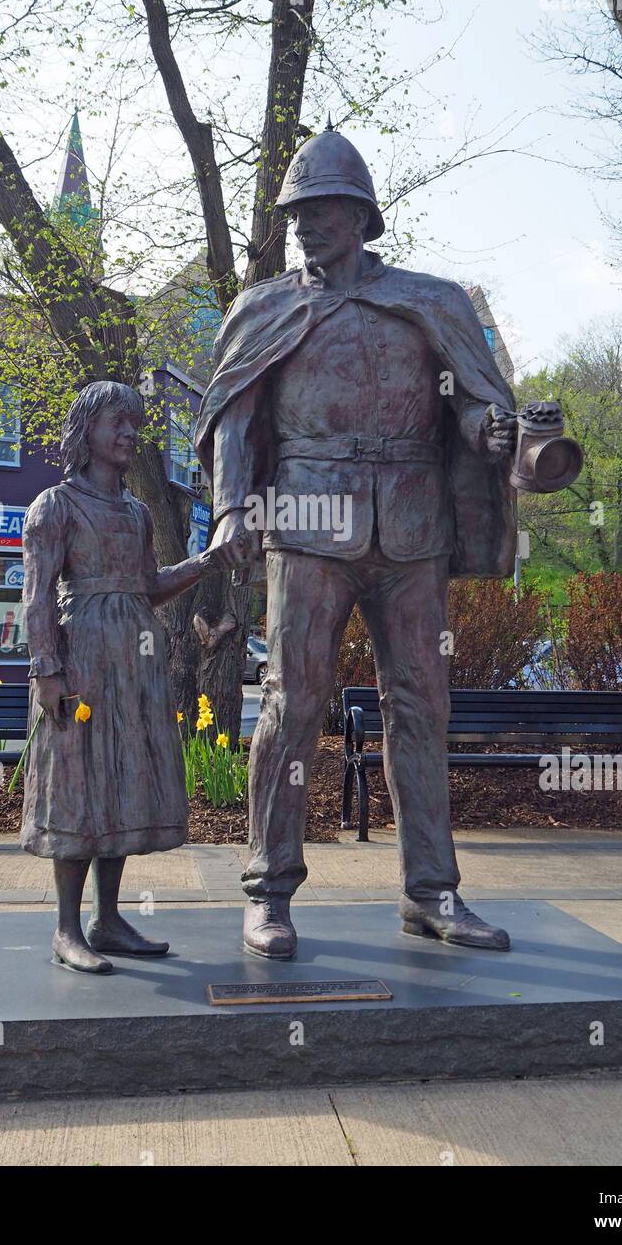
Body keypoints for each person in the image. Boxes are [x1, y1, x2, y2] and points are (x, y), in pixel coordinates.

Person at [195, 128, 525, 961]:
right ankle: (267, 892)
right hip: (305, 525)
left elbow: (473, 404)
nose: (306, 224)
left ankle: (432, 892)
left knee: (420, 705)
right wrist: (232, 508)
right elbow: (234, 414)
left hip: (411, 527)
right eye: (297, 212)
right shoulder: (266, 307)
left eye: (323, 209)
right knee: (290, 703)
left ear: (362, 216)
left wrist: (492, 433)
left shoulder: (432, 300)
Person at [21, 380, 216, 973]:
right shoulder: (54, 507)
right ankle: (65, 927)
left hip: (135, 662)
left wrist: (206, 562)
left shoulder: (137, 513)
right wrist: (47, 672)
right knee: (80, 784)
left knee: (122, 778)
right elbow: (34, 600)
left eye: (134, 423)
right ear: (88, 432)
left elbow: (148, 587)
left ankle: (107, 919)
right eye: (117, 422)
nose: (130, 433)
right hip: (81, 657)